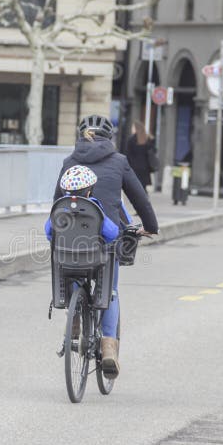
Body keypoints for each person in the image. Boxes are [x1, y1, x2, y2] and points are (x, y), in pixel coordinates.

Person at [52, 114, 158, 379]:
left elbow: (56, 204)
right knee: (109, 290)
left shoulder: (69, 162)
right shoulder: (119, 162)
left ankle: (75, 317)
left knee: (74, 269)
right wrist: (150, 226)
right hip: (103, 244)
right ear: (109, 138)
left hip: (69, 244)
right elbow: (140, 199)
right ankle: (109, 347)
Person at [124, 120, 159, 189]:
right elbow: (154, 150)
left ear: (136, 128)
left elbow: (128, 154)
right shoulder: (147, 138)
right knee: (143, 187)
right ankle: (144, 197)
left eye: (133, 128)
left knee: (135, 187)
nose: (132, 129)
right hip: (145, 168)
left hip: (134, 168)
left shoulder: (131, 139)